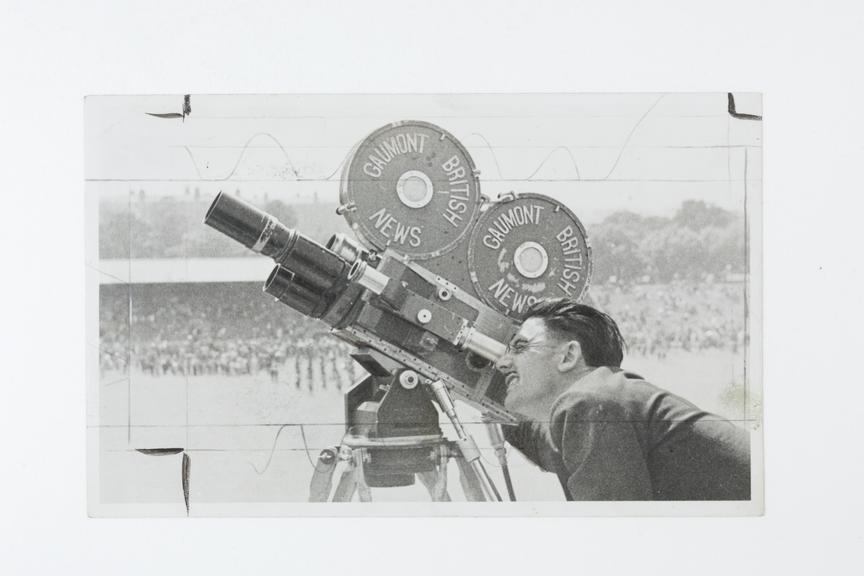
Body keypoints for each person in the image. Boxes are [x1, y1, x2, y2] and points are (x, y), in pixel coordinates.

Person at [496, 298, 750, 501]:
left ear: (568, 356)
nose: (502, 362)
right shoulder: (604, 397)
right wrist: (494, 396)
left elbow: (613, 534)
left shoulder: (588, 400)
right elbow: (550, 447)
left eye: (519, 347)